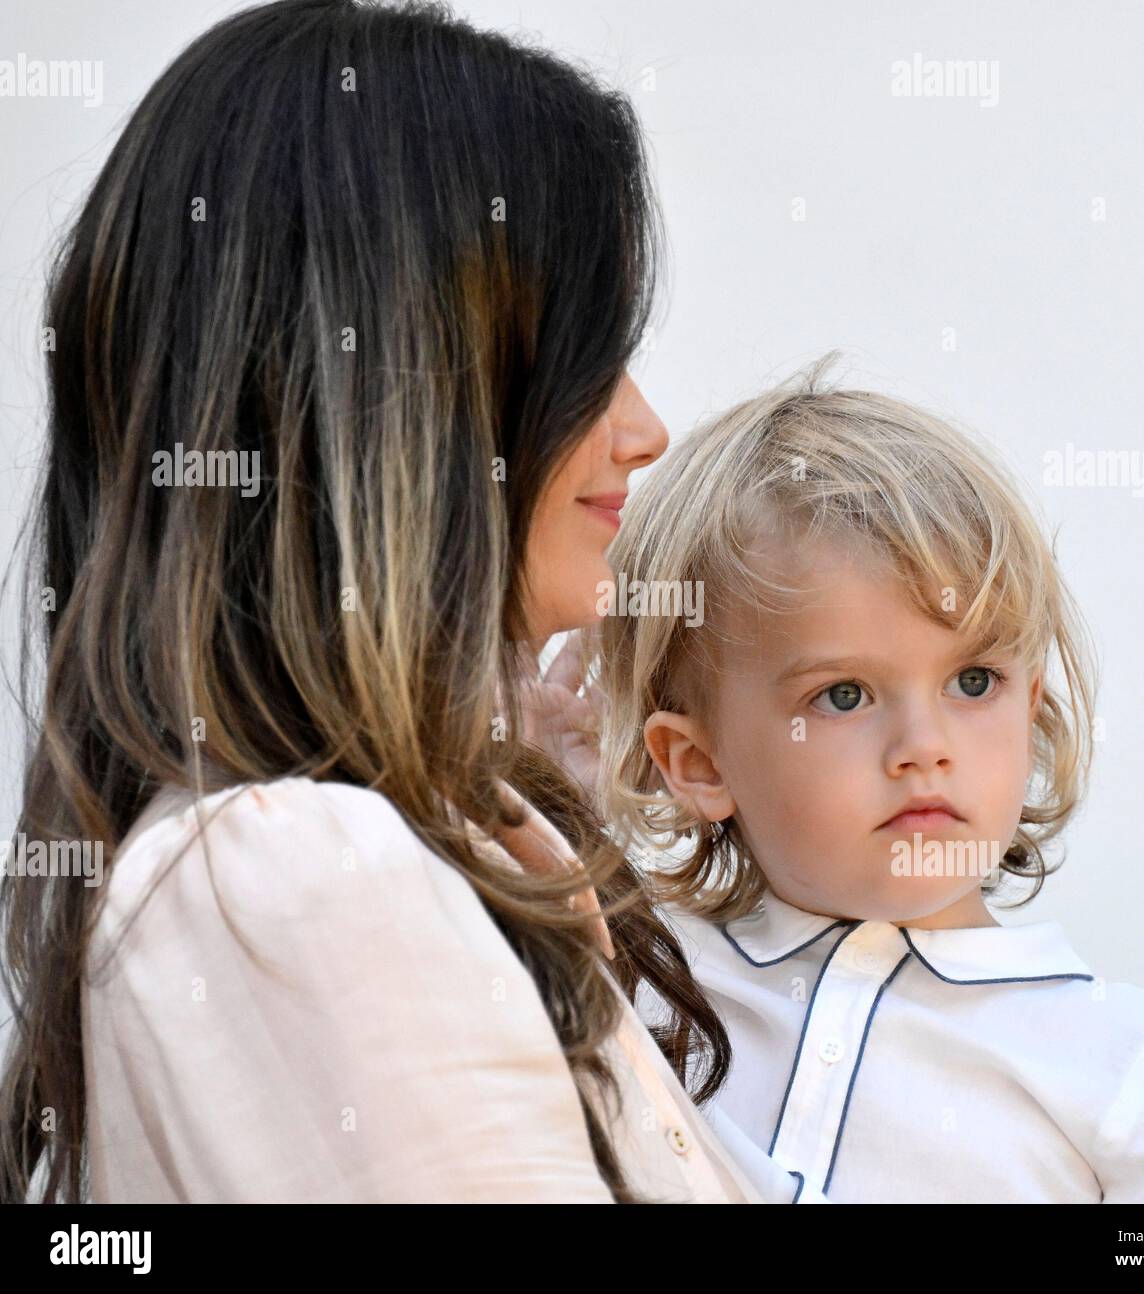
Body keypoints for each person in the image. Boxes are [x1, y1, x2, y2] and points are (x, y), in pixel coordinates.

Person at [0, 0, 811, 1204]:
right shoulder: (295, 875)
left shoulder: (365, 852)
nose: (643, 430)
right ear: (405, 390)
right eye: (589, 355)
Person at [589, 357, 1144, 1203]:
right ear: (699, 765)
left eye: (973, 683)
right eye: (844, 696)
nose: (924, 747)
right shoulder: (643, 990)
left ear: (1030, 709)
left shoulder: (1128, 1061)